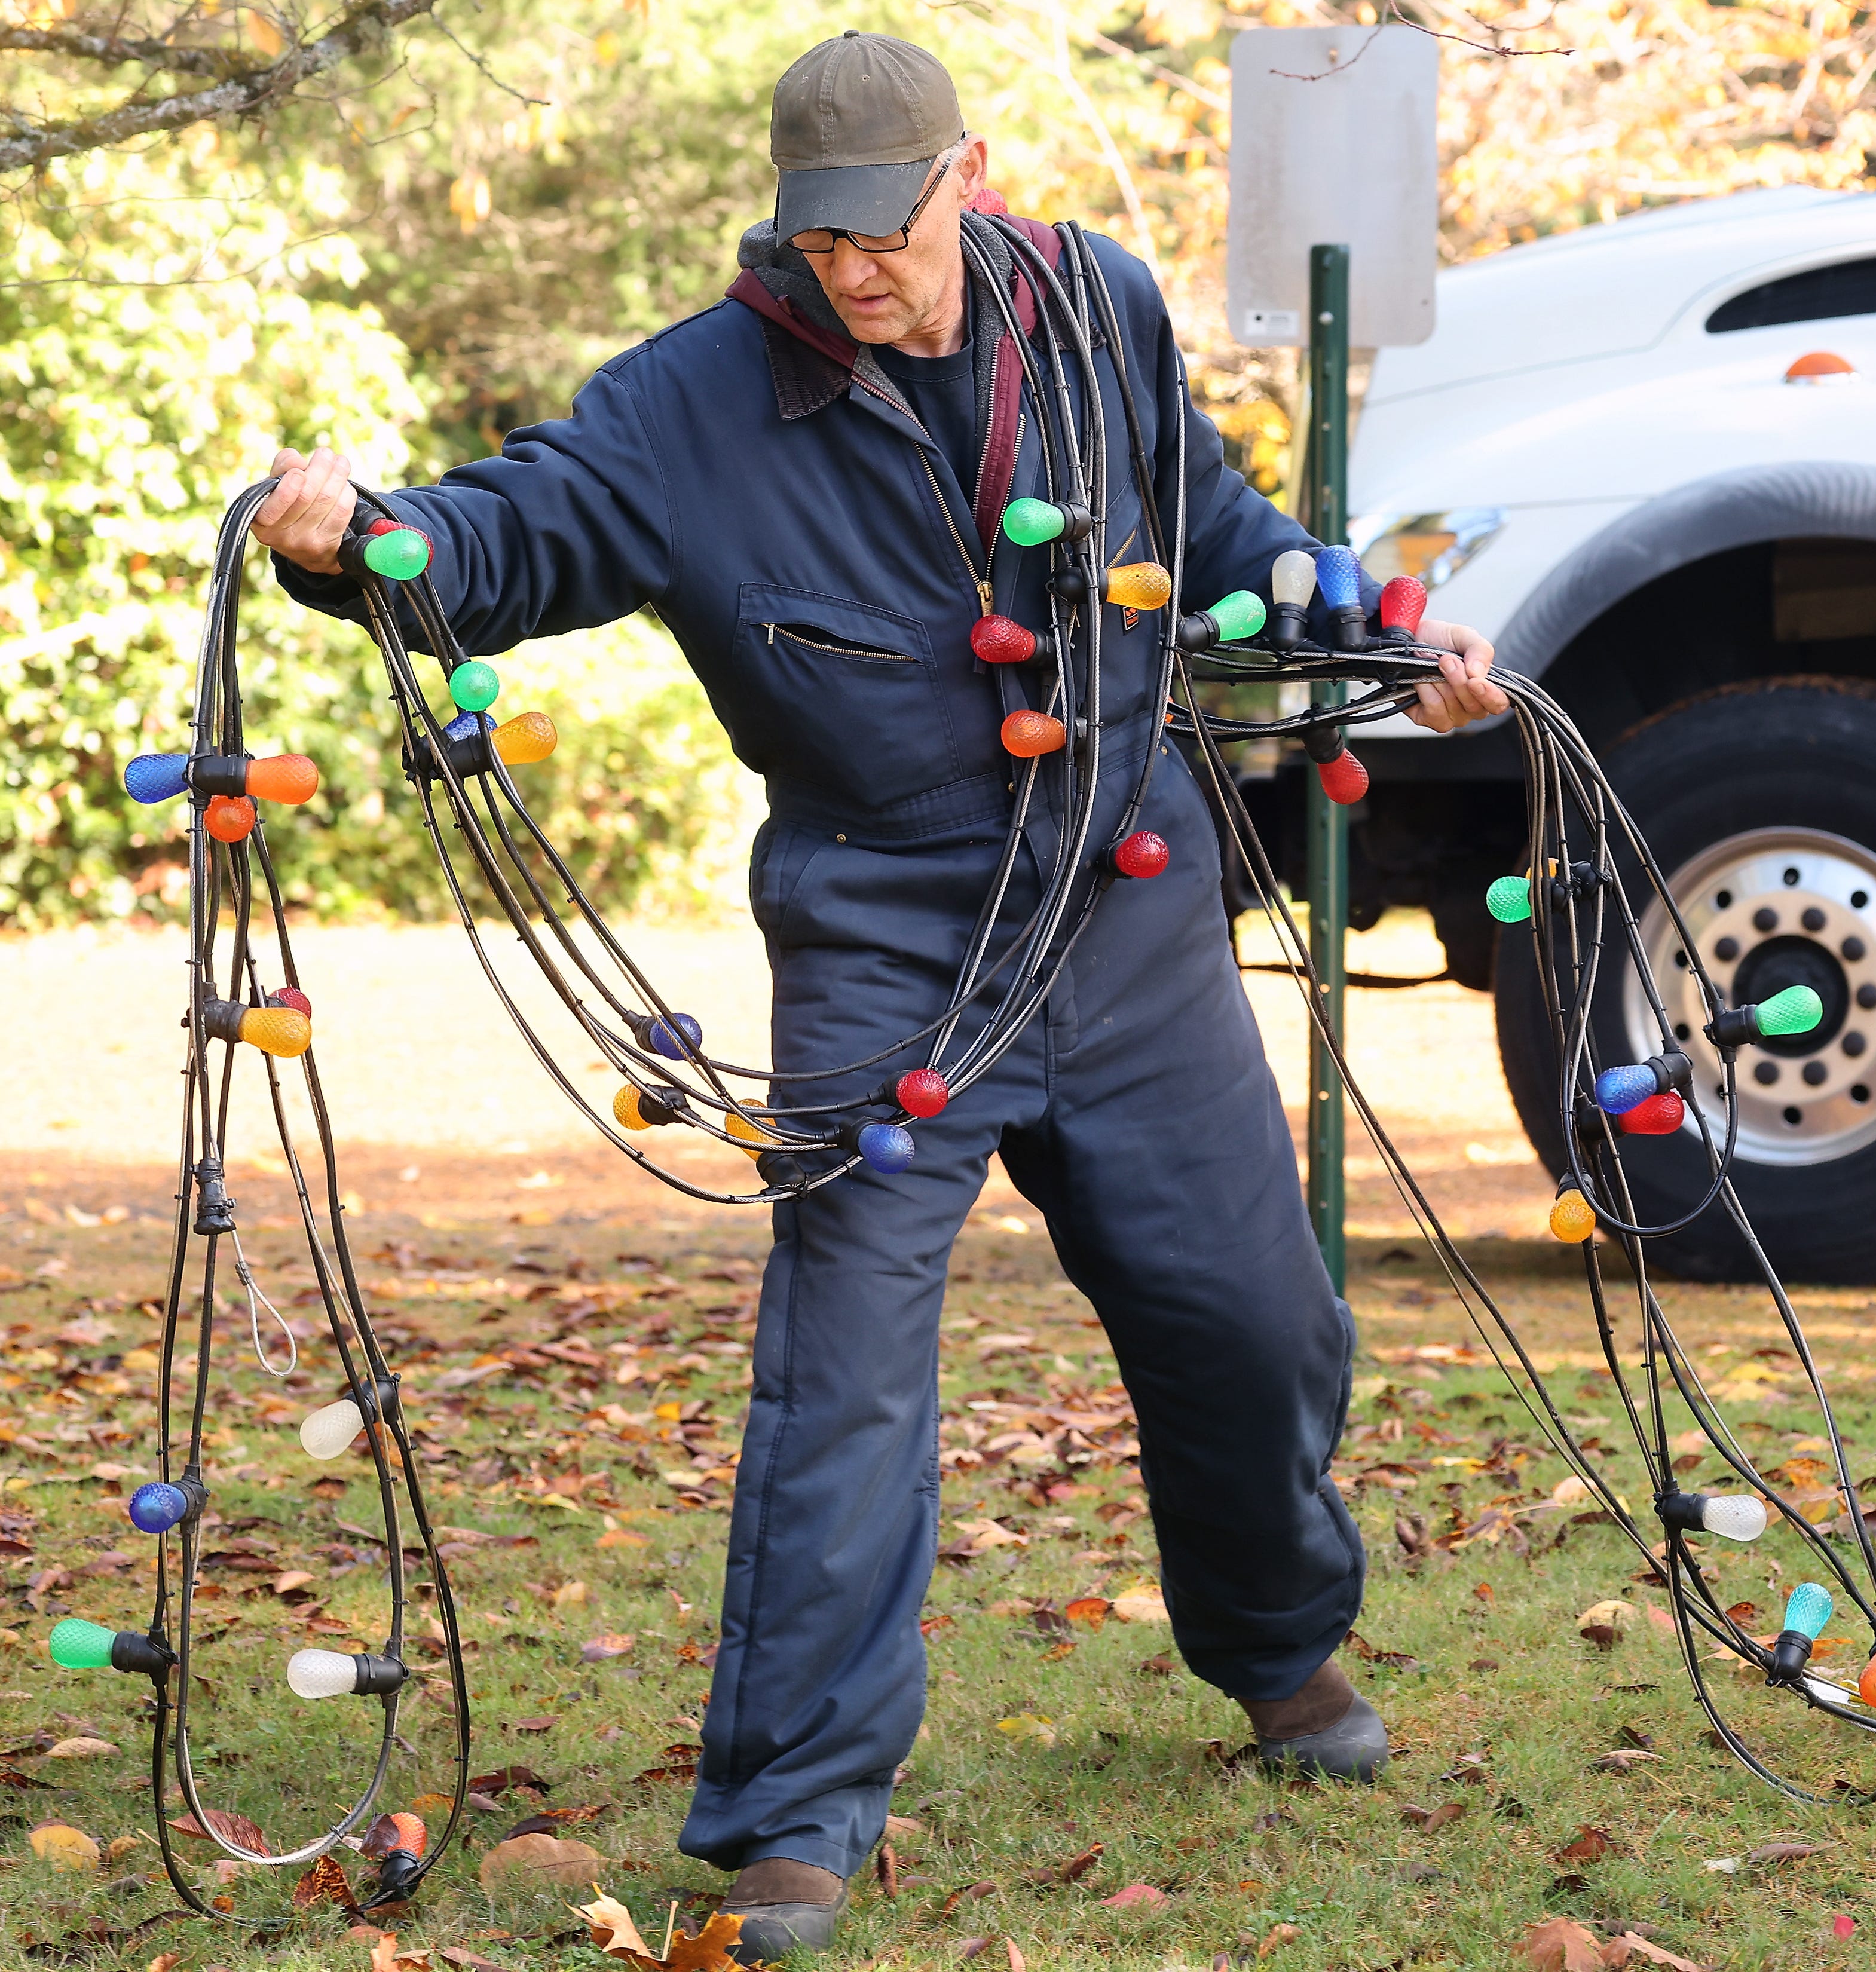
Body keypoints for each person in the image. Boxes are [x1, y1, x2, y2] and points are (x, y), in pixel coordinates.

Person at [254, 31, 1508, 1960]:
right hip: (885, 941)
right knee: (839, 1380)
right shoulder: (692, 403)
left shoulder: (1096, 307)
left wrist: (1377, 633)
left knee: (1252, 1316)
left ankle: (1281, 1656)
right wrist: (371, 542)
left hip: (1126, 900)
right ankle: (796, 1815)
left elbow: (1224, 530)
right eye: (819, 235)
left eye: (887, 228)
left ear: (968, 180)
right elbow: (514, 529)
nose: (854, 267)